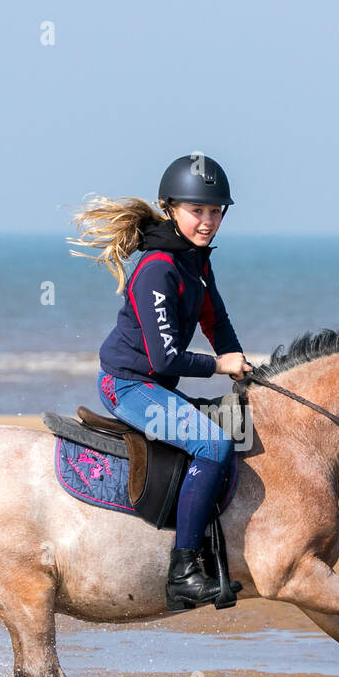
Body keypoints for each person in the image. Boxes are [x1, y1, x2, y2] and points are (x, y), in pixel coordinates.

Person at [68, 154, 253, 610]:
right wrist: (219, 367)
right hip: (128, 386)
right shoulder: (158, 269)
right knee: (213, 445)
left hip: (155, 383)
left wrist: (241, 361)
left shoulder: (196, 261)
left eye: (215, 212)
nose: (207, 222)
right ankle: (183, 571)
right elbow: (164, 356)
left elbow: (217, 321)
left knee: (236, 428)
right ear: (170, 209)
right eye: (197, 211)